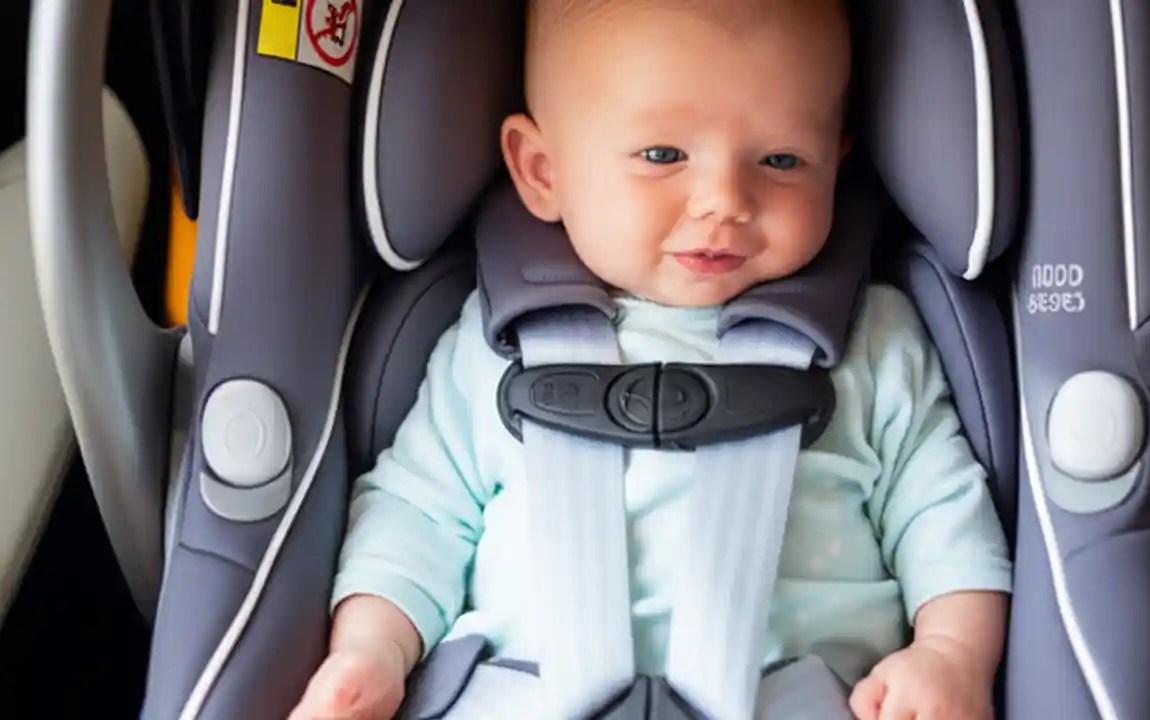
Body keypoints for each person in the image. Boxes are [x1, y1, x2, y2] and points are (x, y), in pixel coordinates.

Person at [290, 1, 1012, 718]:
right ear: (543, 170)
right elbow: (417, 514)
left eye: (783, 159)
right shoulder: (492, 345)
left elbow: (942, 514)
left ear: (837, 163)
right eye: (663, 156)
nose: (724, 199)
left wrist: (951, 653)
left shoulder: (872, 340)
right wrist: (373, 650)